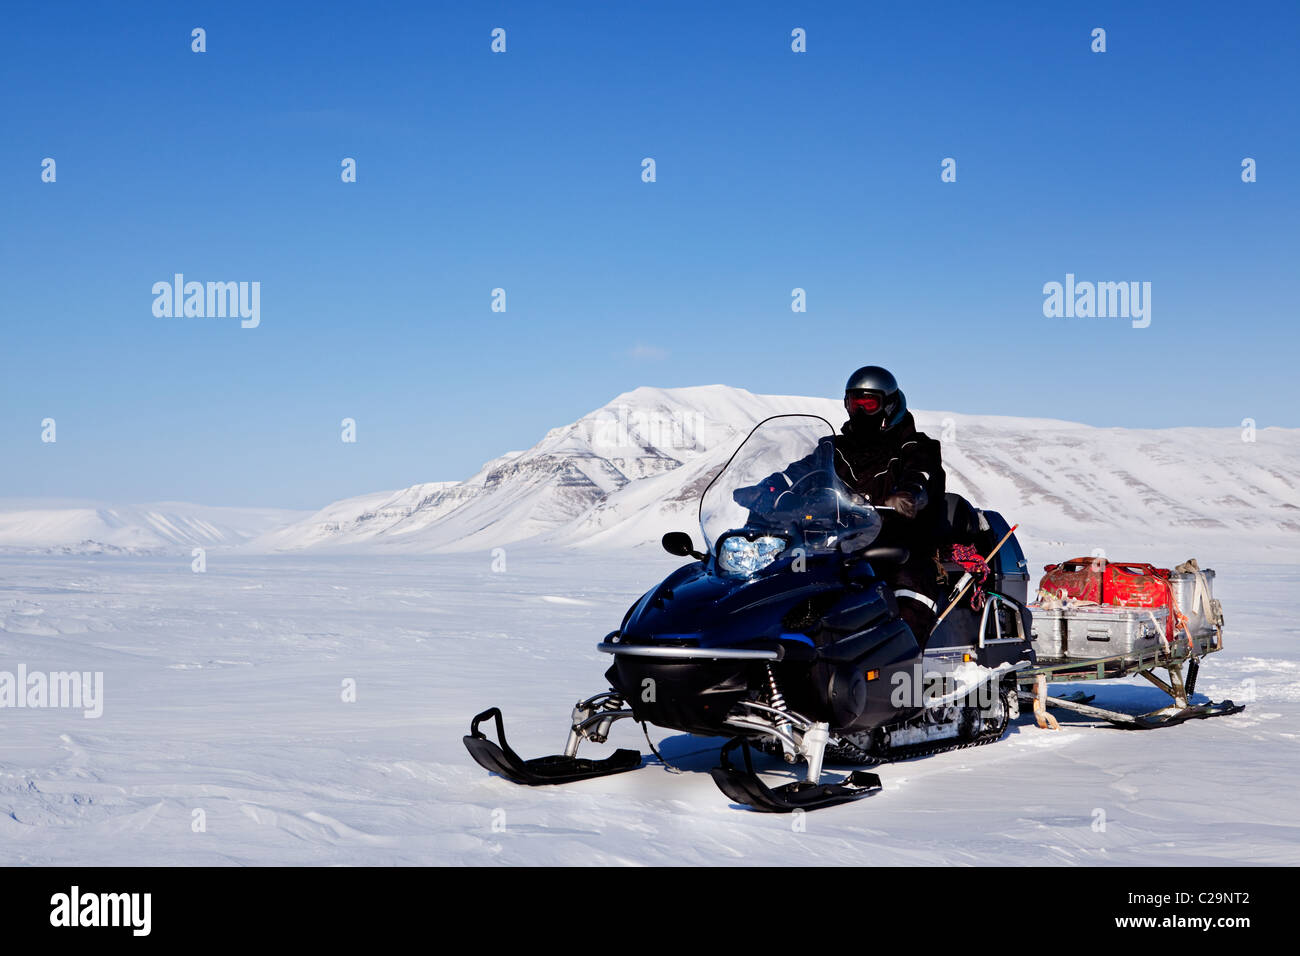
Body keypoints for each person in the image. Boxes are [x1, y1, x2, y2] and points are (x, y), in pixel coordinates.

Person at [738, 366, 948, 646]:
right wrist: (766, 489)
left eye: (869, 403)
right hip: (835, 545)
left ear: (889, 405)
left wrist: (908, 494)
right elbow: (796, 474)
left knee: (908, 587)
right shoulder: (832, 449)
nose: (860, 411)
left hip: (897, 545)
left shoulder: (916, 446)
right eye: (854, 403)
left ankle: (904, 660)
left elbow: (922, 475)